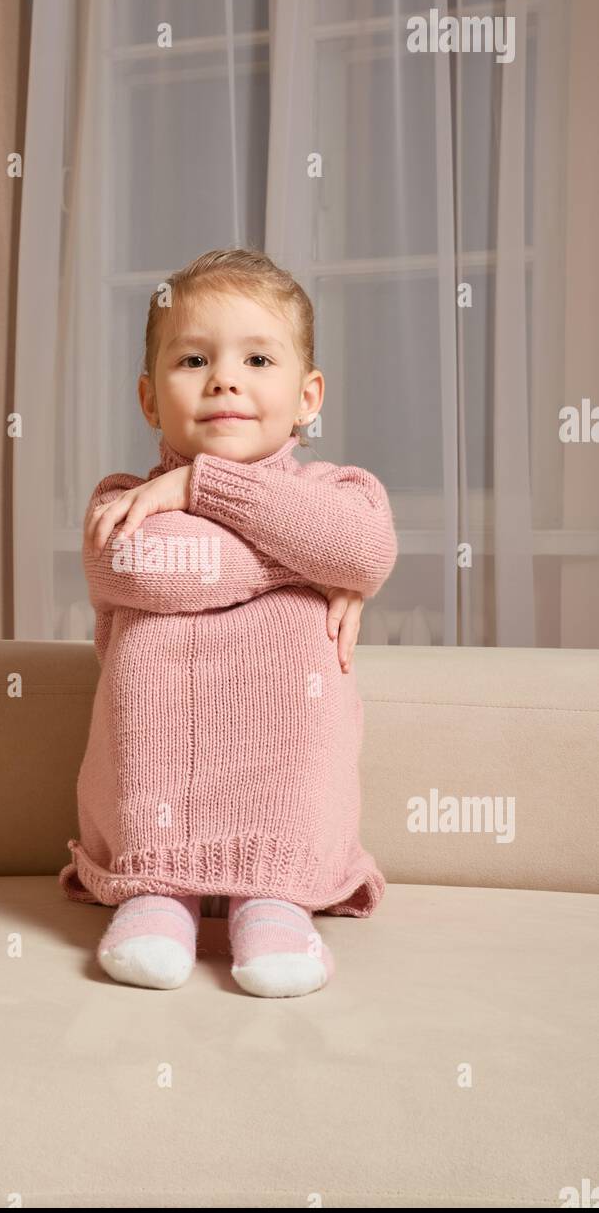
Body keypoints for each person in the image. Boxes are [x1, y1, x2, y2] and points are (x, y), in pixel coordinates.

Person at [58, 248, 398, 997]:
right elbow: (147, 569)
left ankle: (273, 903)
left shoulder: (339, 493)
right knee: (152, 743)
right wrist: (315, 564)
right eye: (192, 358)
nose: (224, 378)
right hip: (154, 809)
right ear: (150, 400)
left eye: (256, 357)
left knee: (293, 779)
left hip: (285, 807)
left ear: (309, 396)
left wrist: (205, 486)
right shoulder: (123, 502)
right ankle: (157, 897)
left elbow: (367, 548)